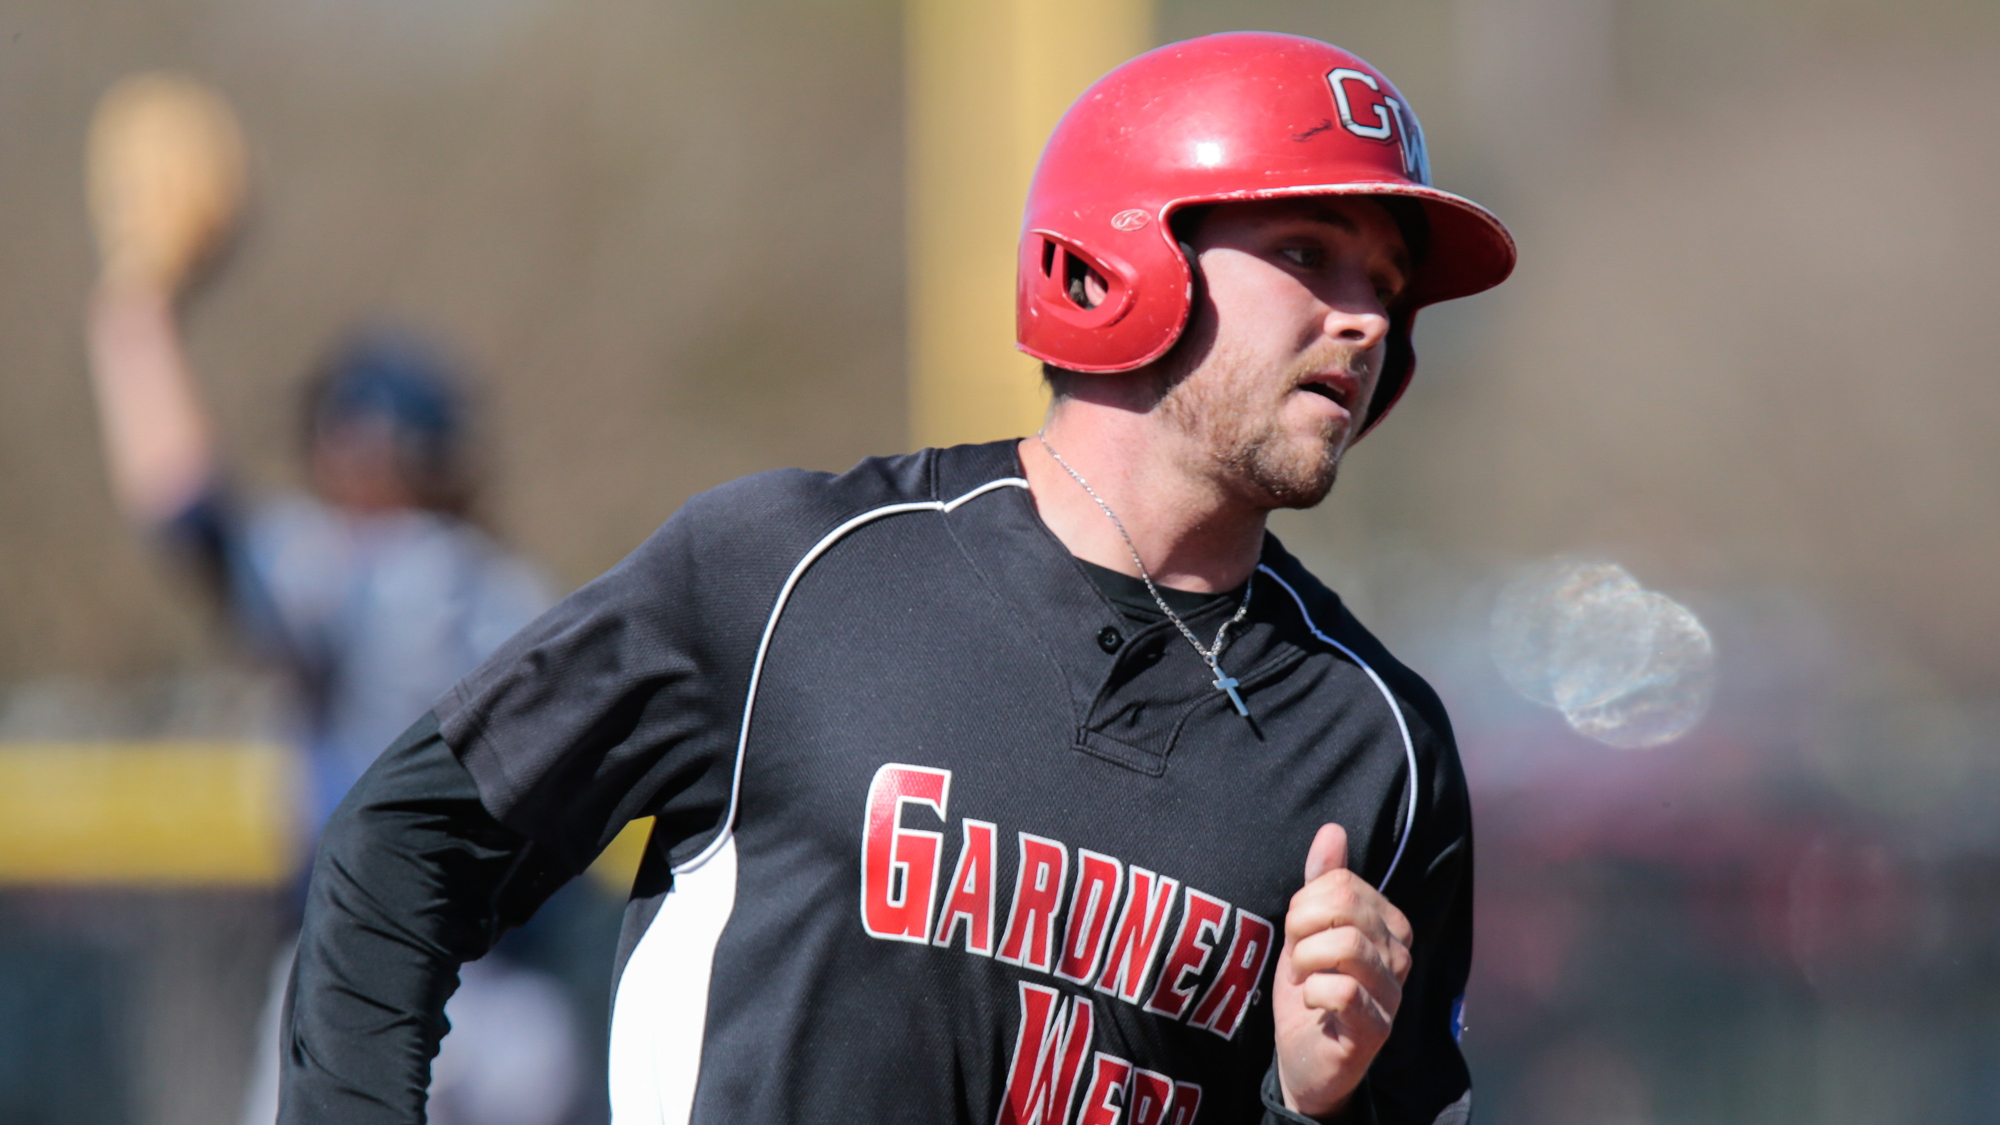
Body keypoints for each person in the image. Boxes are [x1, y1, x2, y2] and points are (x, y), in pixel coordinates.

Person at [280, 31, 1515, 1125]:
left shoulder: (1378, 749)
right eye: (1308, 252)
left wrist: (1310, 1107)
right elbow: (402, 851)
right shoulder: (789, 575)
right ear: (1117, 261)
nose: (1364, 319)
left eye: (1384, 286)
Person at [82, 73, 581, 1125]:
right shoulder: (522, 595)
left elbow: (185, 512)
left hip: (361, 993)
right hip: (517, 1017)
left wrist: (133, 317)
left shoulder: (355, 565)